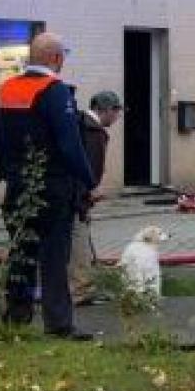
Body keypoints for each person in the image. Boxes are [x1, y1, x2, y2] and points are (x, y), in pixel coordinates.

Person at [0, 32, 95, 339]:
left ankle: (17, 316)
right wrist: (87, 180)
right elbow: (70, 144)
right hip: (54, 187)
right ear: (56, 58)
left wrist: (9, 172)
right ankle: (58, 324)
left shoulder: (6, 89)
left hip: (18, 187)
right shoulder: (55, 91)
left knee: (21, 251)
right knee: (53, 256)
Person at [72, 90, 122, 306]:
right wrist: (90, 191)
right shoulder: (93, 132)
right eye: (117, 112)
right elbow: (87, 167)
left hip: (68, 193)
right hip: (76, 198)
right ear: (107, 110)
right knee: (79, 243)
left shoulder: (79, 124)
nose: (117, 117)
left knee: (73, 244)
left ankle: (75, 288)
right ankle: (80, 291)